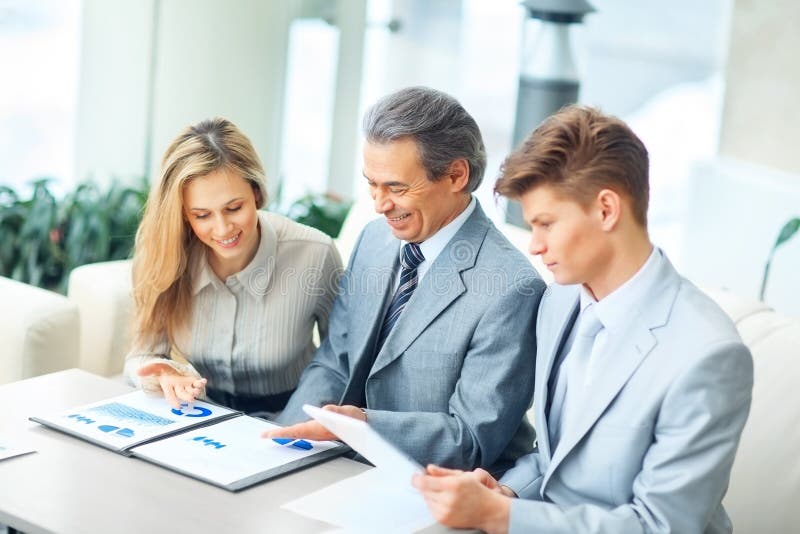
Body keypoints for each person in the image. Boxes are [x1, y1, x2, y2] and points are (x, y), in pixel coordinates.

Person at [412, 105, 754, 533]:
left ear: (606, 209)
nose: (535, 246)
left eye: (546, 224)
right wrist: (506, 492)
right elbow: (555, 458)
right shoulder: (559, 300)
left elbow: (660, 526)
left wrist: (500, 516)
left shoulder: (708, 355)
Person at [266, 86, 546, 473]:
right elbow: (335, 364)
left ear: (456, 175)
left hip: (441, 483)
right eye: (371, 184)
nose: (380, 205)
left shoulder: (511, 287)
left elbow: (470, 439)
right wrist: (282, 441)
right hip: (345, 465)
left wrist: (364, 426)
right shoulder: (374, 239)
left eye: (396, 188)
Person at [123, 117, 342, 415]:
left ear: (256, 192)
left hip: (294, 412)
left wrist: (291, 425)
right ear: (184, 214)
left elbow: (340, 364)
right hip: (200, 411)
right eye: (202, 215)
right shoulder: (163, 256)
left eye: (234, 208)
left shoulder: (315, 253)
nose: (223, 228)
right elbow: (140, 358)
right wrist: (160, 373)